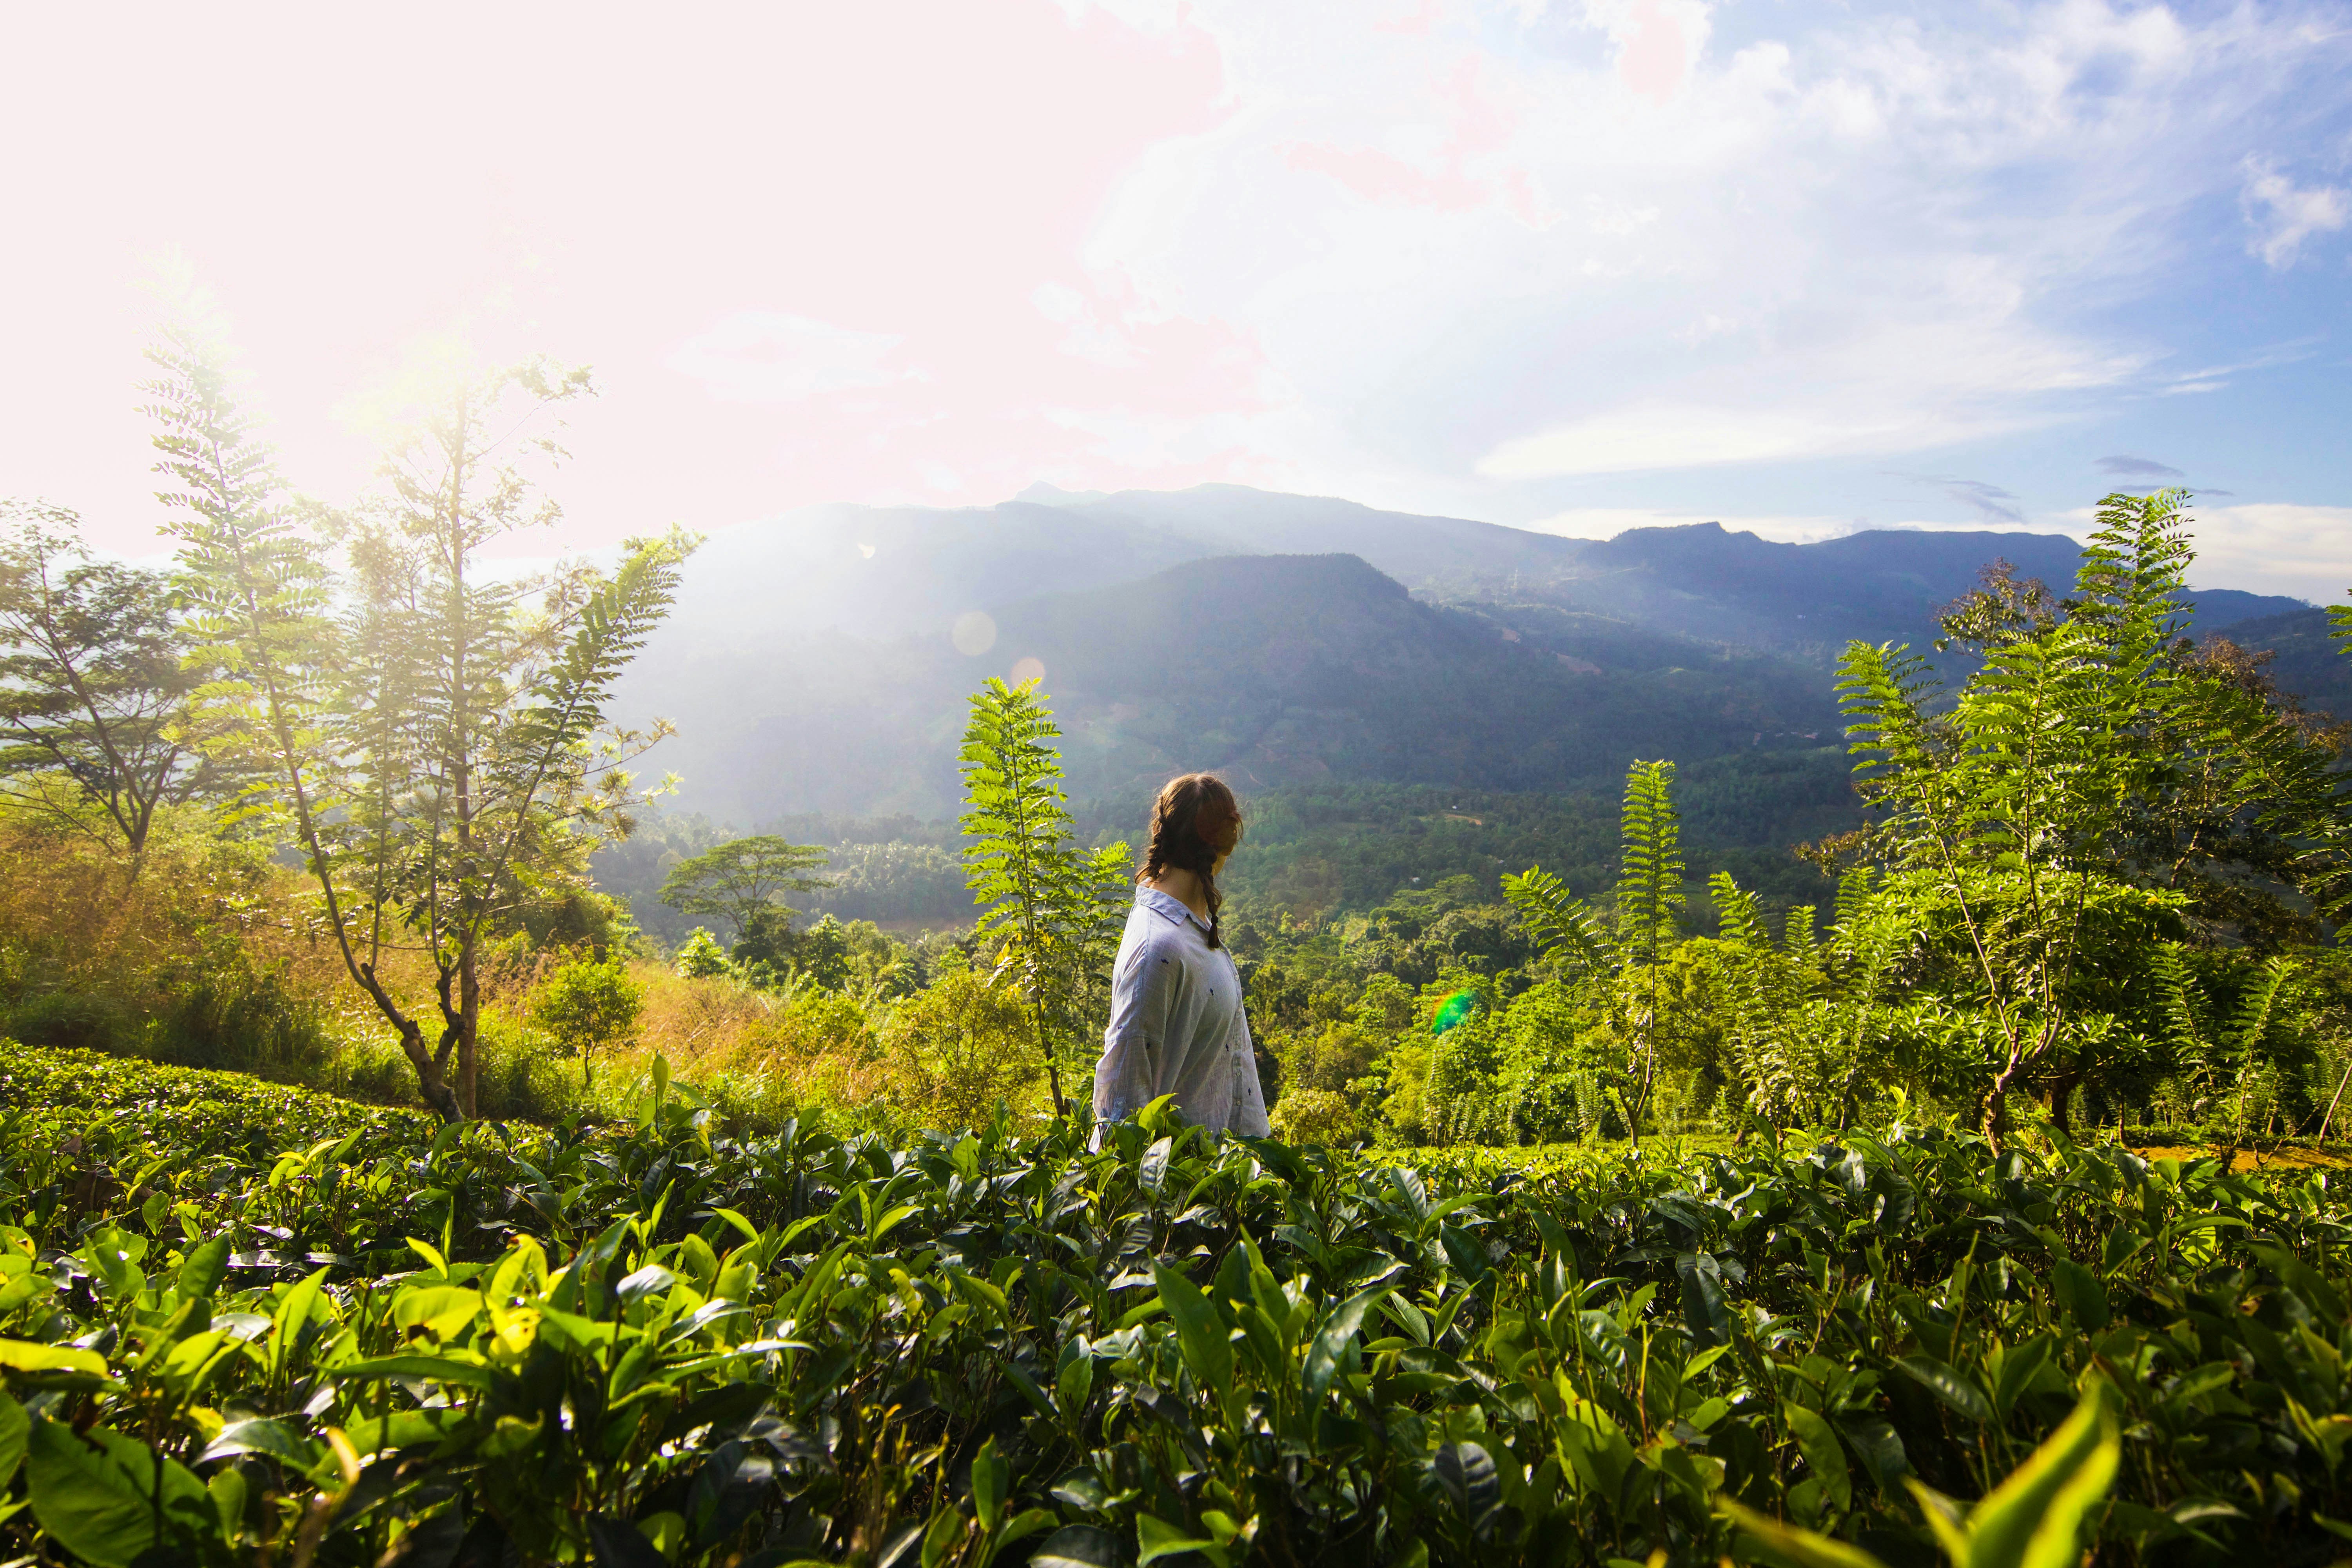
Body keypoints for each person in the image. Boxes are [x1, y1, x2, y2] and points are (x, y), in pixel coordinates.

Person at [1092, 772, 1269, 1138]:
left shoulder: (1190, 929)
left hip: (1215, 1181)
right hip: (1177, 1187)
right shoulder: (1159, 949)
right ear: (1227, 841)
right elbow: (1121, 1104)